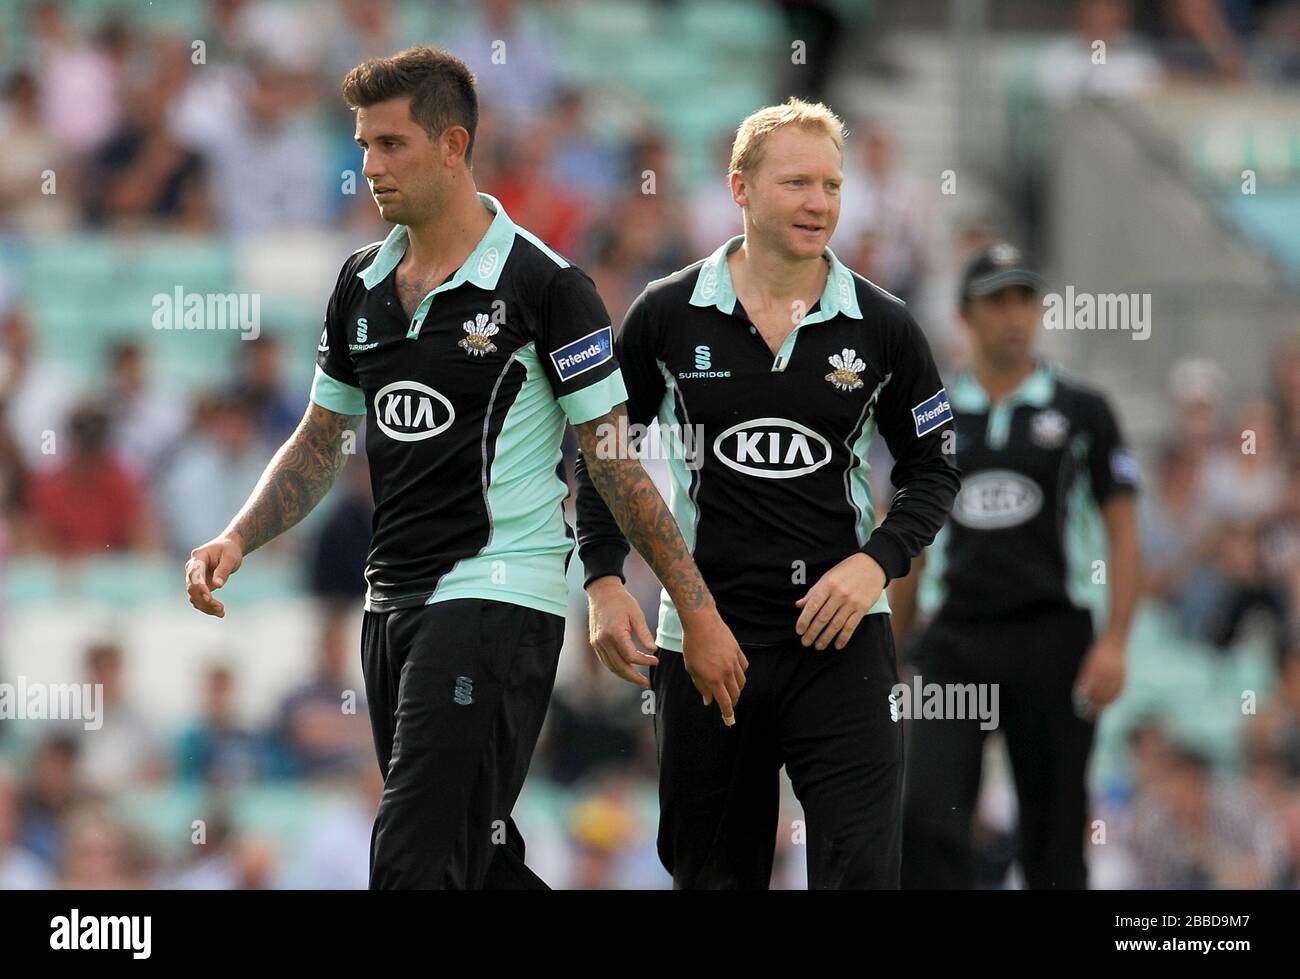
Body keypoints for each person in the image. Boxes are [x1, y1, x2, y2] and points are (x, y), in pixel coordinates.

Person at [184, 46, 743, 890]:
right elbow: (320, 437)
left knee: (409, 858)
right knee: (473, 859)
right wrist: (239, 535)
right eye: (364, 145)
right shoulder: (359, 284)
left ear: (453, 145)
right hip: (390, 602)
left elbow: (615, 460)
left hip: (497, 596)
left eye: (391, 145)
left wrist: (691, 608)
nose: (369, 167)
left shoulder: (545, 287)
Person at [575, 98, 960, 889]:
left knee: (862, 873)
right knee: (712, 876)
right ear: (740, 188)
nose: (819, 203)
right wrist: (605, 577)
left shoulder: (883, 324)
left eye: (832, 184)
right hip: (706, 639)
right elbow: (602, 449)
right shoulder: (666, 313)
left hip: (843, 643)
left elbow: (936, 467)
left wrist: (875, 563)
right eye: (796, 183)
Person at [891, 242, 1141, 889]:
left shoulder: (1084, 412)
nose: (1014, 314)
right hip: (955, 641)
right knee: (925, 815)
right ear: (964, 314)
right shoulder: (932, 417)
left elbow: (1124, 532)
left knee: (1053, 837)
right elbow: (910, 544)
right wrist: (887, 651)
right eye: (997, 299)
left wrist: (1115, 640)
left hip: (1052, 639)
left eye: (1025, 298)